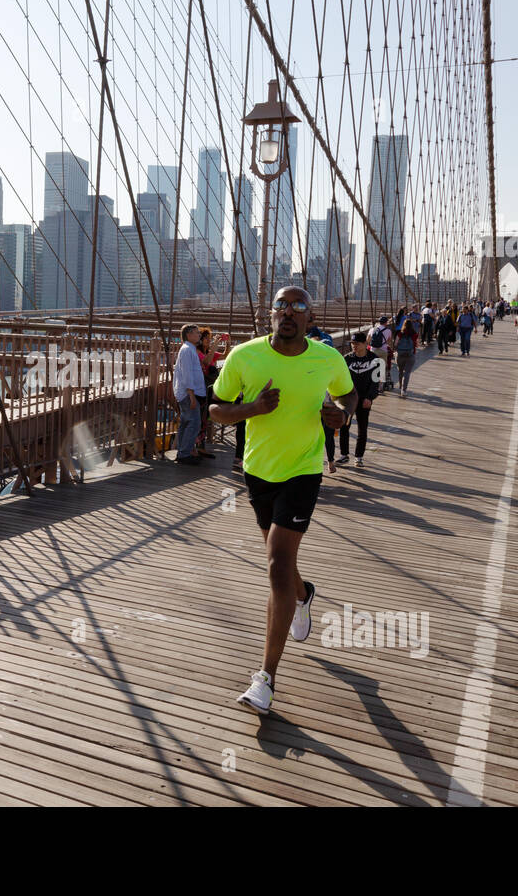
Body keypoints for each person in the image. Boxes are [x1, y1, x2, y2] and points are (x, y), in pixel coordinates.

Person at [210, 286, 358, 715]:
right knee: (283, 565)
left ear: (310, 317)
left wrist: (342, 413)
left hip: (304, 469)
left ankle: (265, 680)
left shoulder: (327, 358)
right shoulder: (244, 356)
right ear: (269, 314)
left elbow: (346, 394)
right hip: (258, 472)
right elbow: (216, 409)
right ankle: (304, 594)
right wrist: (252, 408)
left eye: (298, 307)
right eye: (280, 306)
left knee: (275, 562)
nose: (288, 312)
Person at [339, 332, 380, 467]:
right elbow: (340, 379)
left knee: (362, 429)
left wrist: (370, 397)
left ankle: (359, 456)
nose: (354, 346)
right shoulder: (346, 359)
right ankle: (344, 455)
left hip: (364, 399)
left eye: (357, 344)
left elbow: (376, 382)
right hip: (348, 399)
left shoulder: (375, 360)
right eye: (352, 343)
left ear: (365, 344)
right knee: (344, 427)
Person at [172, 324, 204, 465]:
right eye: (197, 333)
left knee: (186, 422)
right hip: (188, 393)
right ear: (189, 335)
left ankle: (182, 451)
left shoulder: (189, 349)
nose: (199, 335)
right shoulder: (186, 350)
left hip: (187, 392)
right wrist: (191, 394)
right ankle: (185, 453)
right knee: (194, 423)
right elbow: (187, 374)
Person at [195, 326, 222, 459]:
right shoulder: (198, 352)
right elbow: (205, 362)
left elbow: (224, 355)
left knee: (204, 417)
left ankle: (201, 446)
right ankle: (195, 447)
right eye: (206, 338)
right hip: (200, 387)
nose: (207, 341)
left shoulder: (207, 352)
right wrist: (215, 345)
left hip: (207, 388)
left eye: (208, 339)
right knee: (199, 417)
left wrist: (226, 343)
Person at [394, 319, 419, 397]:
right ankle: (404, 390)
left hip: (400, 355)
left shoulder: (400, 333)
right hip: (410, 355)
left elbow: (395, 344)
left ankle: (400, 386)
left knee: (400, 372)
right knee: (407, 373)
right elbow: (417, 345)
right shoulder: (414, 334)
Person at [369, 315, 394, 389]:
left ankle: (373, 386)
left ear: (379, 322)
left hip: (373, 351)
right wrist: (391, 349)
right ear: (386, 322)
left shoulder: (373, 329)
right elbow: (389, 342)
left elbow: (368, 340)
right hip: (383, 351)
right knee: (382, 369)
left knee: (373, 368)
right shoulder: (388, 331)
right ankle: (380, 387)